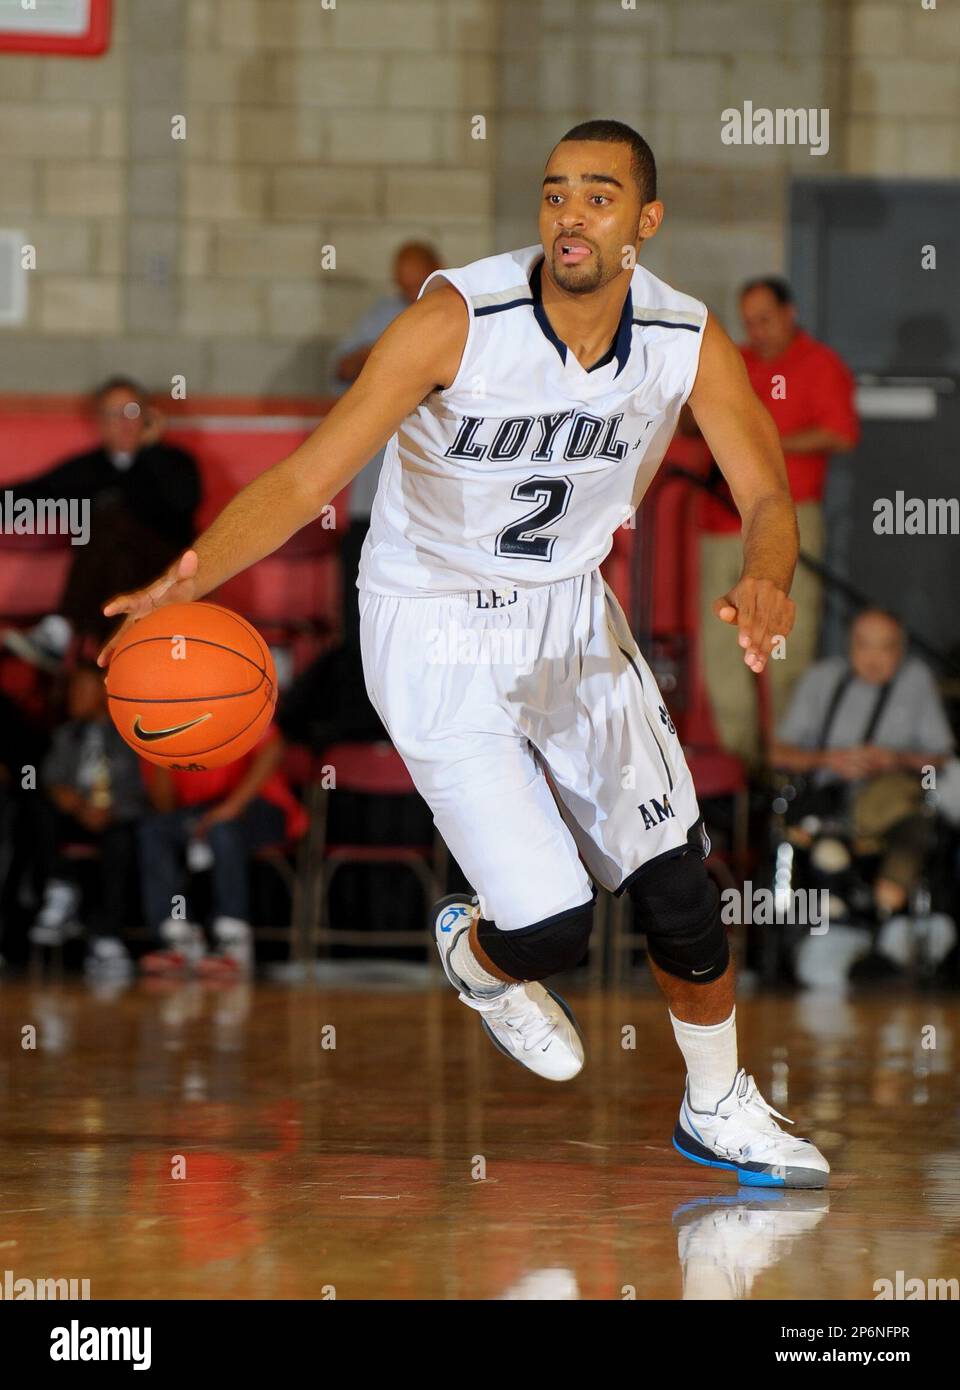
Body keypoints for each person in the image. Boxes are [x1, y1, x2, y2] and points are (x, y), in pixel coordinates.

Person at [100, 119, 829, 1189]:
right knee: (553, 926)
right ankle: (481, 960)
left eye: (598, 195)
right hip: (430, 618)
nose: (570, 214)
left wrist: (770, 573)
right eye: (554, 194)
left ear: (646, 222)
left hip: (567, 611)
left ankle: (717, 1103)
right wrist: (188, 575)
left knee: (679, 887)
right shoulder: (455, 320)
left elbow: (766, 491)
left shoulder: (683, 336)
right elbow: (310, 479)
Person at [698, 278, 859, 767]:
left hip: (791, 516)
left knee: (786, 641)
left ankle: (790, 767)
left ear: (790, 313)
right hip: (723, 518)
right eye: (748, 321)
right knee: (721, 652)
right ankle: (742, 768)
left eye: (765, 318)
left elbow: (840, 433)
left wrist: (763, 447)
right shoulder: (735, 361)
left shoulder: (820, 363)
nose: (757, 330)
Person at [3, 376, 200, 667]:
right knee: (115, 552)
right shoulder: (86, 470)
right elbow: (29, 497)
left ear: (148, 417)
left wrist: (153, 449)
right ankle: (112, 669)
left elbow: (186, 502)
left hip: (167, 576)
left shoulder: (173, 462)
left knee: (108, 518)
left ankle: (62, 631)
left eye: (131, 411)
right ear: (98, 421)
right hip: (112, 587)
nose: (123, 422)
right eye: (112, 414)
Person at [771, 608, 954, 919]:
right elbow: (776, 754)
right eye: (864, 644)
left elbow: (940, 759)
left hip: (892, 803)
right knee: (813, 837)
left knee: (927, 803)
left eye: (886, 647)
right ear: (849, 644)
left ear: (902, 649)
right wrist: (828, 759)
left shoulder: (915, 681)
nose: (874, 657)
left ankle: (886, 900)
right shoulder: (821, 679)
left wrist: (893, 760)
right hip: (823, 799)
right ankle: (833, 891)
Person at [137, 725, 306, 978]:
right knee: (154, 830)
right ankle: (178, 937)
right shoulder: (160, 719)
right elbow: (165, 805)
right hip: (201, 812)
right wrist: (162, 748)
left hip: (259, 804)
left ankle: (233, 939)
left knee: (223, 830)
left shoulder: (226, 693)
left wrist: (232, 807)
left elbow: (274, 749)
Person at [30, 662, 147, 978]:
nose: (73, 697)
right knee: (39, 809)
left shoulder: (131, 733)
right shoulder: (65, 735)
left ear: (103, 693)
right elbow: (51, 779)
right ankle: (60, 889)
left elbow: (139, 792)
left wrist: (110, 811)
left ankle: (106, 936)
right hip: (75, 815)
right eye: (72, 690)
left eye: (81, 689)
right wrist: (75, 804)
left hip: (115, 819)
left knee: (122, 838)